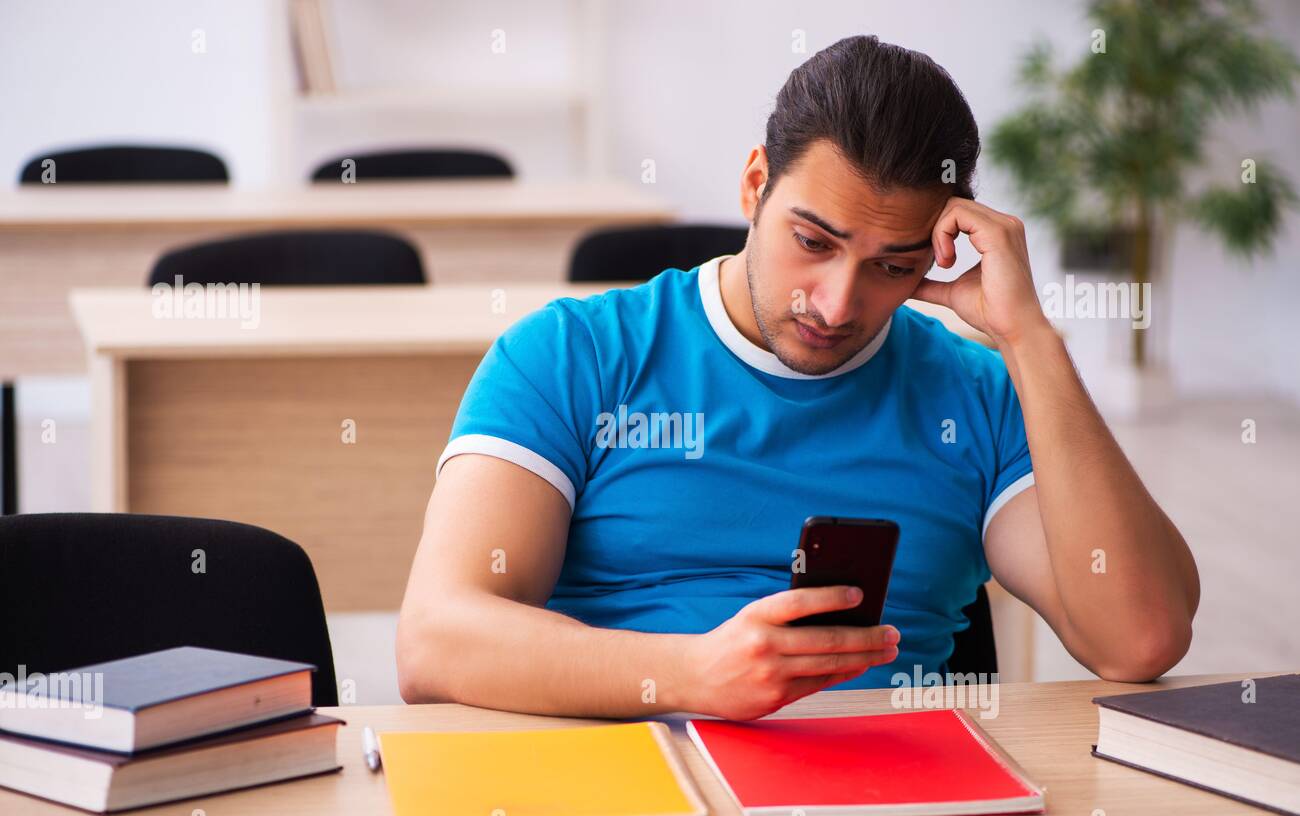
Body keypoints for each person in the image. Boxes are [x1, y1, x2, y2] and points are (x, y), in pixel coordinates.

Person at [397, 35, 1199, 720]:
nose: (838, 302)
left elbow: (1139, 640)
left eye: (893, 264)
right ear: (755, 186)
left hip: (891, 807)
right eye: (814, 242)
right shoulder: (570, 355)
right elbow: (435, 637)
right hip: (629, 777)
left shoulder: (977, 393)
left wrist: (1034, 341)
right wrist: (692, 673)